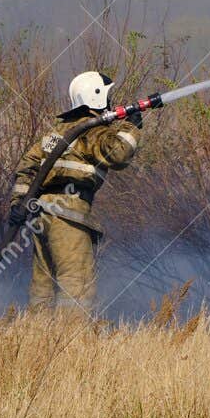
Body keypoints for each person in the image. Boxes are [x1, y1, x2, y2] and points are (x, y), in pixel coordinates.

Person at [9, 70, 141, 314]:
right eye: (107, 98)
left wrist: (18, 203)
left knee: (43, 288)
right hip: (68, 214)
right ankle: (71, 339)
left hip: (42, 215)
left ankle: (36, 339)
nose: (110, 105)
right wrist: (131, 126)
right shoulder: (92, 131)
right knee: (76, 285)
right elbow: (119, 154)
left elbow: (26, 168)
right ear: (97, 97)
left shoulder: (54, 133)